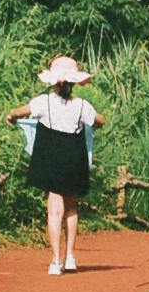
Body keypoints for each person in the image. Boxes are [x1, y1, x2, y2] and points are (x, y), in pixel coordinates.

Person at [9, 56, 102, 275]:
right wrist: (93, 121)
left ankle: (55, 260)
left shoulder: (43, 102)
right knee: (71, 208)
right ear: (72, 83)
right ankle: (70, 257)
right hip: (74, 158)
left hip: (50, 159)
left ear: (53, 82)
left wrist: (11, 116)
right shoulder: (81, 106)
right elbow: (99, 120)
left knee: (54, 210)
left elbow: (18, 112)